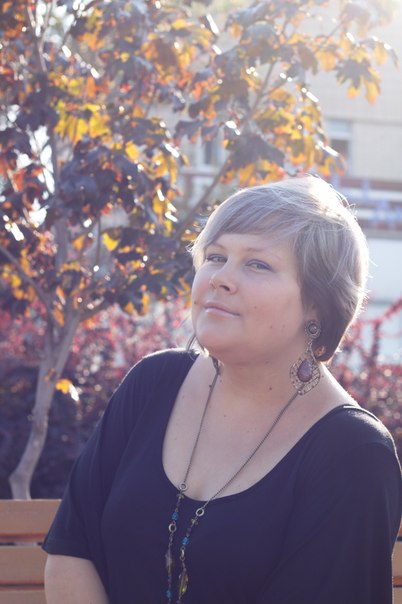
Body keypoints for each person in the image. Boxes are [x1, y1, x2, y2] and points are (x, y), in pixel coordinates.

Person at [43, 175, 402, 604]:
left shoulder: (352, 452)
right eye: (215, 256)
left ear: (317, 306)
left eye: (257, 264)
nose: (220, 278)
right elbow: (73, 548)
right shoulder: (153, 383)